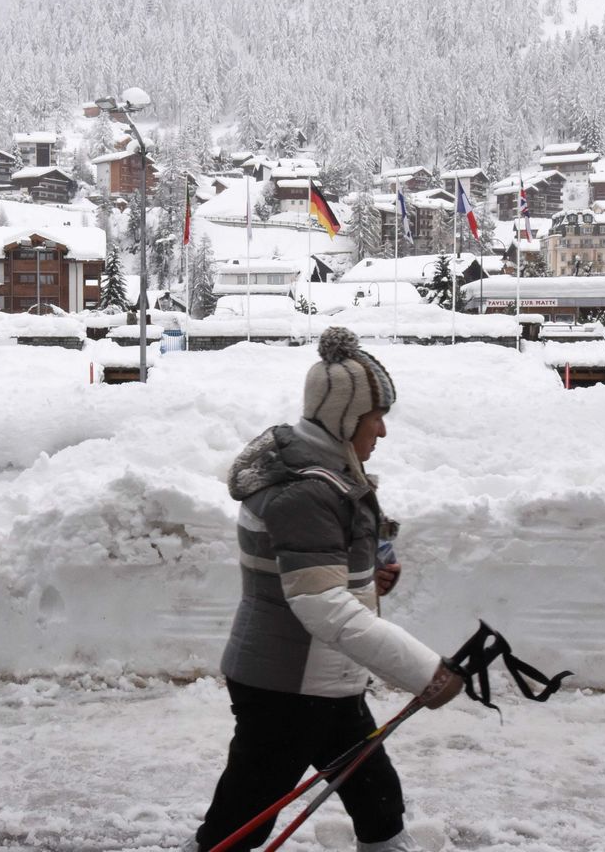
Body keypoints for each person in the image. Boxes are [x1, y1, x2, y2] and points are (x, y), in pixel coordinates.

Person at [189, 327, 462, 852]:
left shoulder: (327, 473)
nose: (382, 431)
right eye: (374, 416)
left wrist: (371, 571)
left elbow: (334, 558)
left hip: (324, 679)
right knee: (242, 819)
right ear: (342, 419)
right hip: (285, 687)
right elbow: (321, 605)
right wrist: (424, 673)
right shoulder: (303, 491)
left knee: (378, 797)